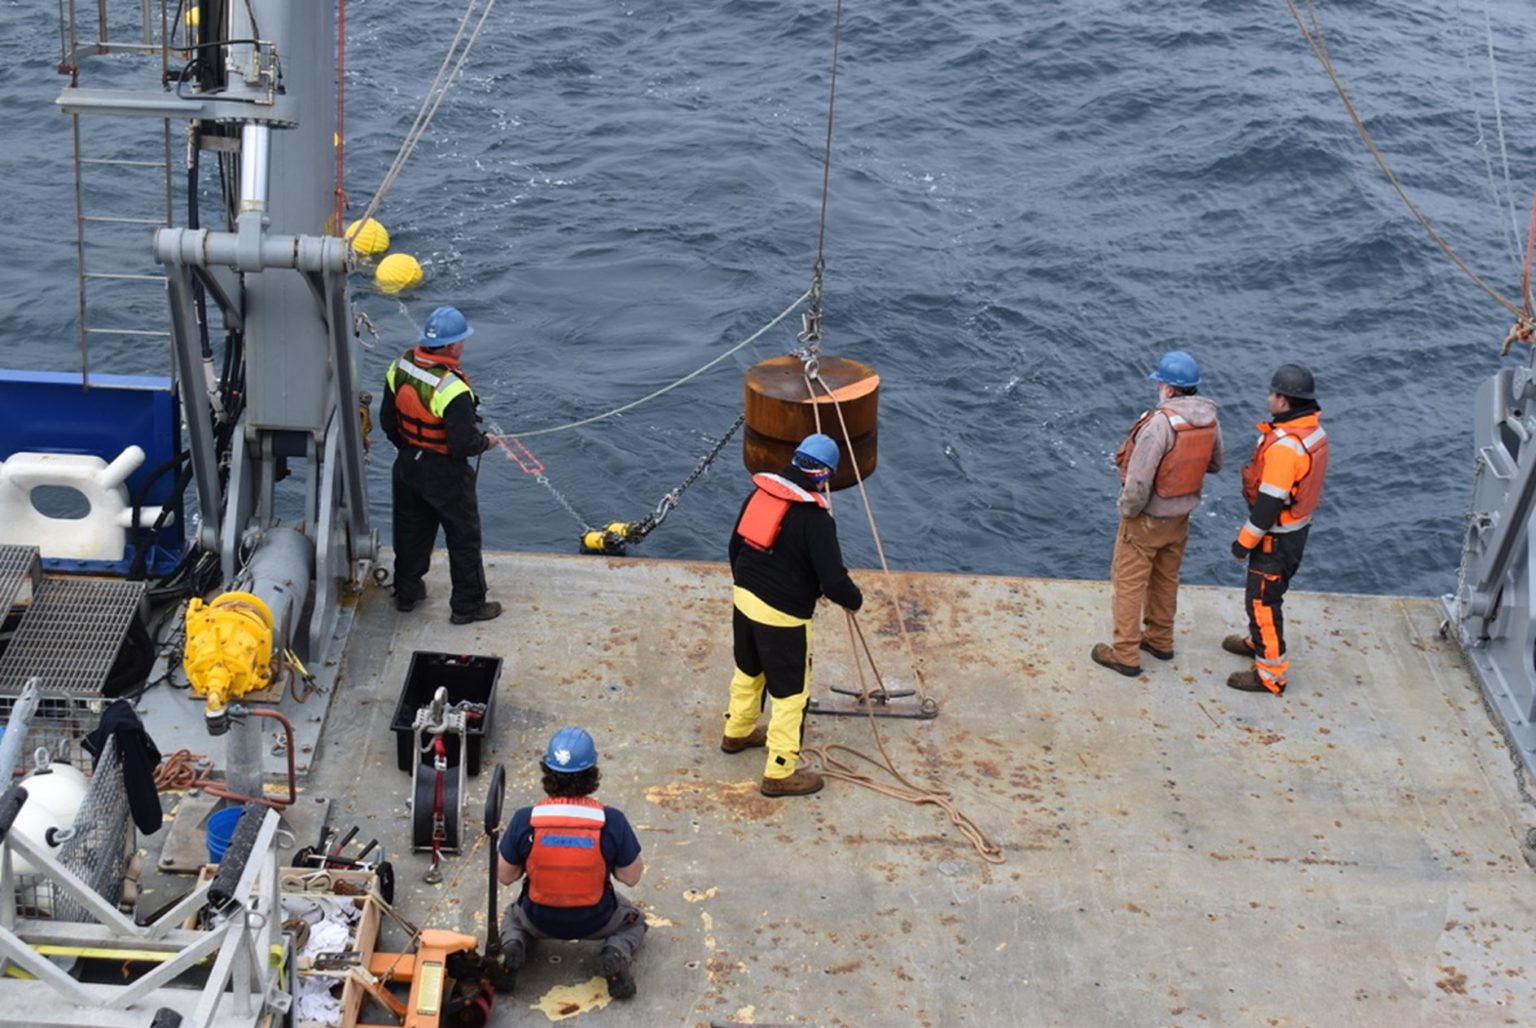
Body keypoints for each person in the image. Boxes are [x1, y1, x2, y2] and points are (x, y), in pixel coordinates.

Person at [723, 432, 863, 797]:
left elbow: (735, 546)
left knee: (748, 671)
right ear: (825, 475)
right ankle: (780, 771)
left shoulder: (759, 494)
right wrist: (854, 600)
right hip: (783, 618)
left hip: (744, 600)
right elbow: (833, 580)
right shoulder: (815, 521)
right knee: (790, 695)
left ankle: (737, 732)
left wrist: (748, 584)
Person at [1091, 351, 1224, 676]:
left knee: (1129, 583)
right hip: (1181, 518)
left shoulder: (1159, 425)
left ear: (1167, 388)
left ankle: (1124, 654)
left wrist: (1127, 511)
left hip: (1147, 519)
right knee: (1166, 578)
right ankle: (1160, 640)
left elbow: (1137, 485)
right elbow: (1217, 464)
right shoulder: (1210, 420)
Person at [497, 727, 647, 999]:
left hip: (537, 918)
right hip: (596, 919)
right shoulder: (610, 821)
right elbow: (632, 876)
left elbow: (505, 876)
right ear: (592, 774)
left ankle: (514, 945)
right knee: (635, 921)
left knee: (511, 916)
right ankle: (615, 952)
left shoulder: (525, 819)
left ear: (547, 773)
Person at [379, 305, 502, 625]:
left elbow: (387, 421)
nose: (463, 346)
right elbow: (463, 444)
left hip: (407, 465)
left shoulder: (399, 367)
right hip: (444, 473)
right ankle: (468, 605)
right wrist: (485, 443)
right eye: (461, 341)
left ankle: (407, 593)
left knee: (409, 530)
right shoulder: (453, 389)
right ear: (449, 346)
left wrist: (411, 449)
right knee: (463, 537)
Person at [1222, 363, 1330, 694]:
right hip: (1297, 532)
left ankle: (1271, 675)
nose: (1268, 398)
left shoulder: (1285, 447)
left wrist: (1243, 543)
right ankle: (1260, 642)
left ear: (1283, 400)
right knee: (1269, 596)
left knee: (1262, 602)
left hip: (1275, 540)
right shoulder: (1313, 432)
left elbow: (1268, 507)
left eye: (1272, 393)